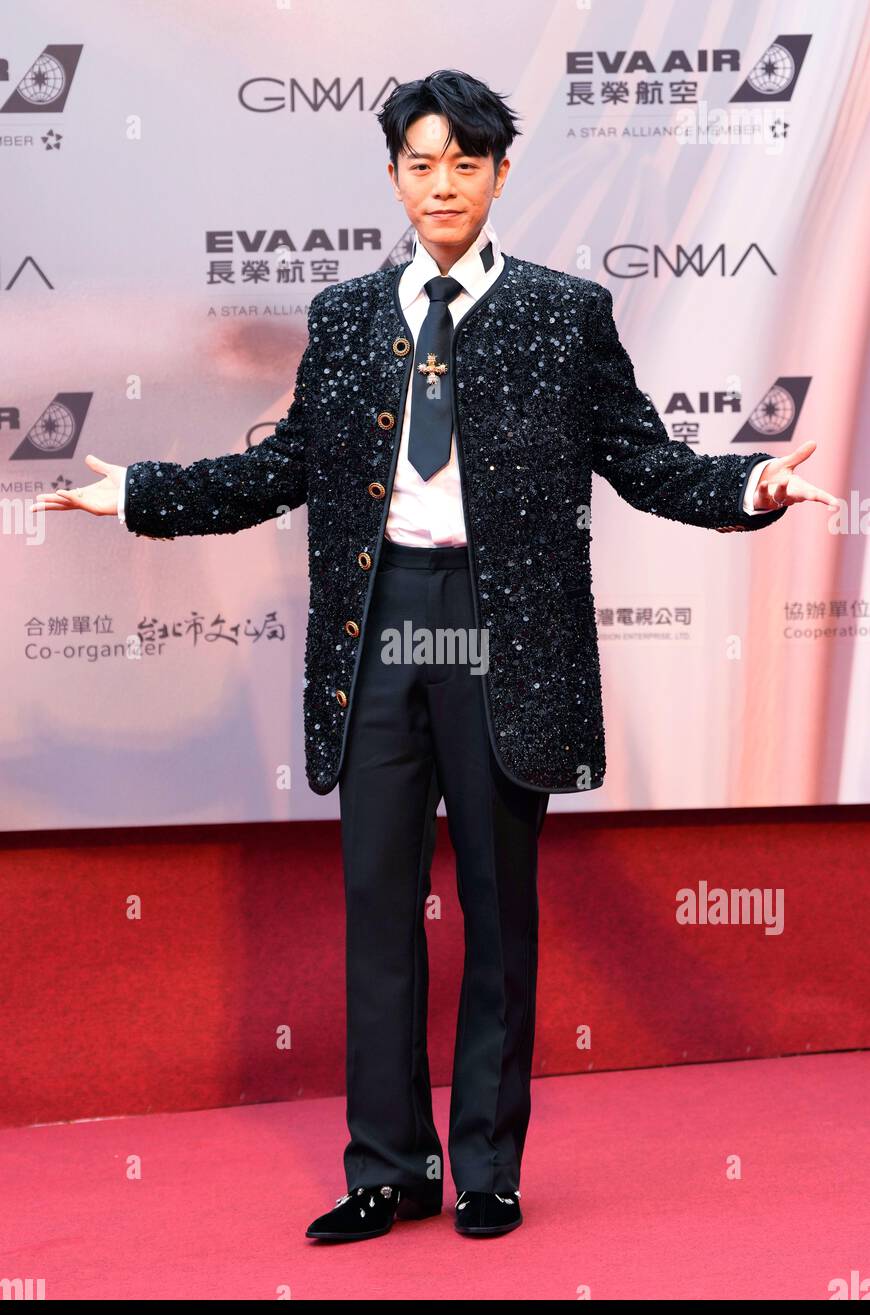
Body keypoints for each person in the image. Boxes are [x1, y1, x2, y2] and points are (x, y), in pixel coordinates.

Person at [32, 69, 835, 1243]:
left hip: (507, 626)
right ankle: (389, 1167)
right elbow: (281, 468)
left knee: (499, 909)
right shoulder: (350, 316)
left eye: (467, 161)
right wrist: (145, 494)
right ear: (396, 175)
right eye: (422, 161)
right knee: (375, 904)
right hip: (379, 622)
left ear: (501, 174)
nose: (444, 182)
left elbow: (643, 461)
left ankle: (491, 1169)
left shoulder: (566, 314)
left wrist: (747, 484)